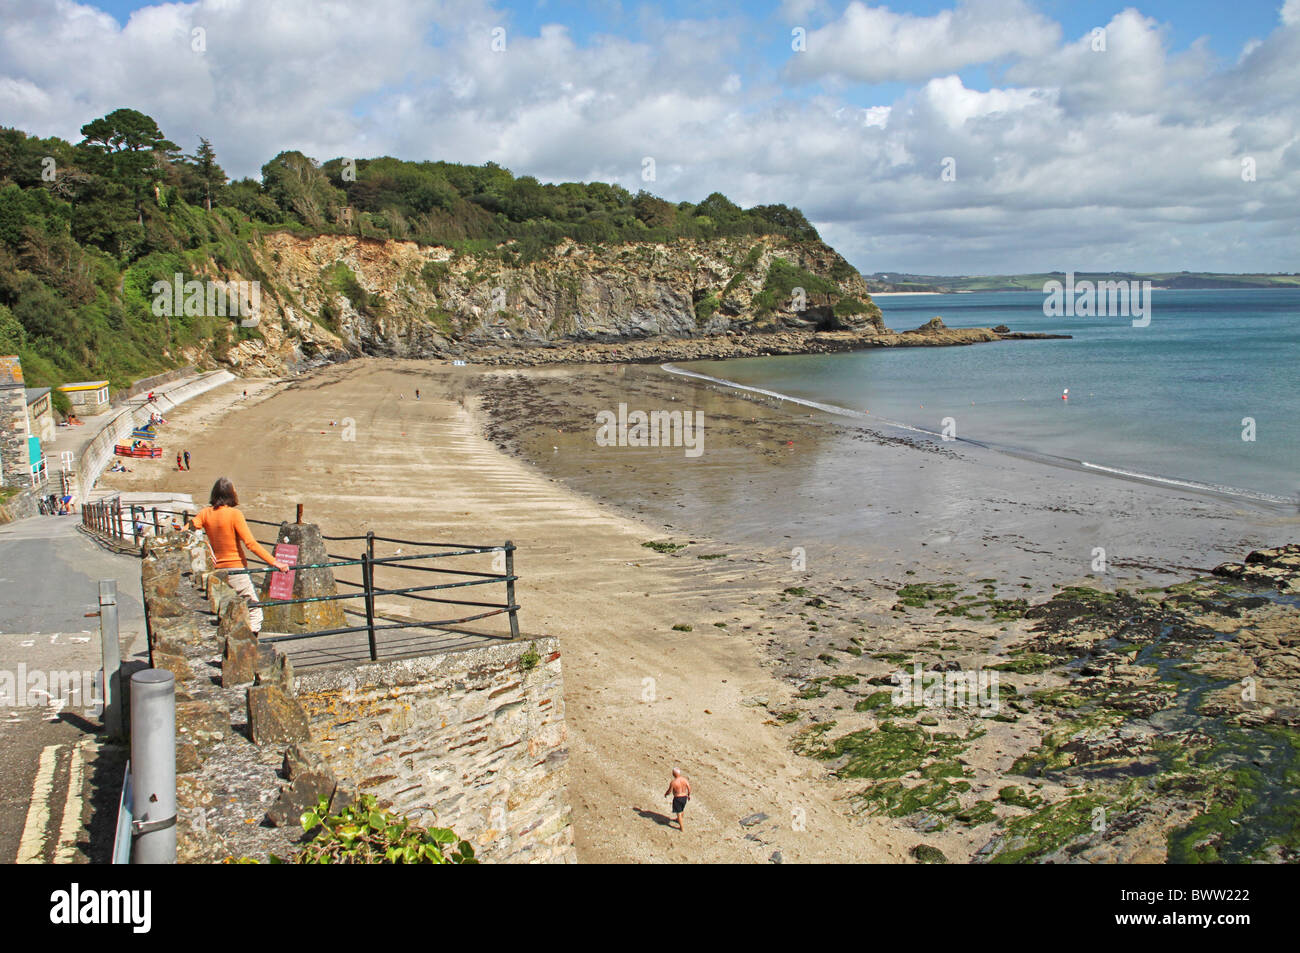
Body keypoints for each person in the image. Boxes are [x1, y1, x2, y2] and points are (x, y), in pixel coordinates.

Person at [188, 478, 287, 636]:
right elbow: (251, 544)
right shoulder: (235, 514)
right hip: (236, 569)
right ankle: (250, 645)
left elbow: (186, 531)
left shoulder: (205, 513)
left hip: (217, 572)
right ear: (230, 494)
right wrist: (275, 562)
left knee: (227, 608)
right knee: (254, 610)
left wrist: (207, 547)